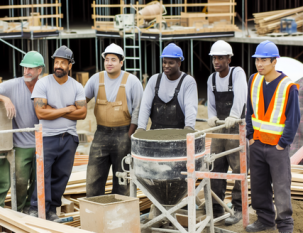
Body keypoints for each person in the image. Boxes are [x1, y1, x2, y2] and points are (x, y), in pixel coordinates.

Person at [245, 41, 300, 233]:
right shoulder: (253, 80)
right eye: (257, 60)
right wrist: (250, 137)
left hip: (277, 147)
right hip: (257, 144)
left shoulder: (288, 87)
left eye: (264, 60)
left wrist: (282, 144)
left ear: (275, 61)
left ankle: (285, 225)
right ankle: (265, 220)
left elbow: (293, 120)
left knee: (281, 188)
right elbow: (249, 111)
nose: (260, 64)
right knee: (259, 186)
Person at [0, 51, 44, 212]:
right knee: (20, 181)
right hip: (21, 143)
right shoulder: (13, 85)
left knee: (40, 180)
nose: (26, 71)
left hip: (42, 142)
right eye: (24, 68)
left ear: (39, 70)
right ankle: (19, 210)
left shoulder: (44, 86)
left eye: (31, 68)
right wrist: (5, 99)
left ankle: (32, 207)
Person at [29, 45, 87, 221]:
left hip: (69, 138)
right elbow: (41, 113)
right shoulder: (43, 83)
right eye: (56, 62)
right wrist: (68, 109)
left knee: (62, 175)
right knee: (43, 174)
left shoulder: (77, 86)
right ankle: (36, 208)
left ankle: (52, 209)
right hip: (47, 137)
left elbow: (82, 113)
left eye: (63, 62)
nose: (59, 65)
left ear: (70, 65)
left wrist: (54, 110)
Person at [84, 43, 143, 197]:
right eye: (107, 59)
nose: (109, 63)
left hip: (124, 133)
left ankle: (121, 214)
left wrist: (129, 135)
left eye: (113, 60)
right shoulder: (96, 79)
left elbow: (138, 111)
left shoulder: (132, 81)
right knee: (93, 177)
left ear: (121, 62)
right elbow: (82, 101)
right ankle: (95, 212)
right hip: (101, 133)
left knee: (123, 180)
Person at [206, 40, 247, 225]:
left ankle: (238, 208)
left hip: (236, 126)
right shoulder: (212, 79)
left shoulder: (237, 73)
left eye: (221, 57)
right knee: (215, 166)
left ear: (229, 59)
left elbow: (241, 96)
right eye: (215, 57)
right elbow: (211, 103)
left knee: (238, 170)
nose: (217, 61)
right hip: (220, 129)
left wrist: (234, 115)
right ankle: (216, 208)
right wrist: (212, 117)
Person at [137, 43, 198, 130]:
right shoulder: (154, 80)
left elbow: (190, 107)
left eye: (171, 63)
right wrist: (141, 128)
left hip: (179, 134)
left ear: (179, 63)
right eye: (164, 62)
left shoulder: (188, 82)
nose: (166, 66)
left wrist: (189, 127)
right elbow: (145, 106)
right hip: (155, 134)